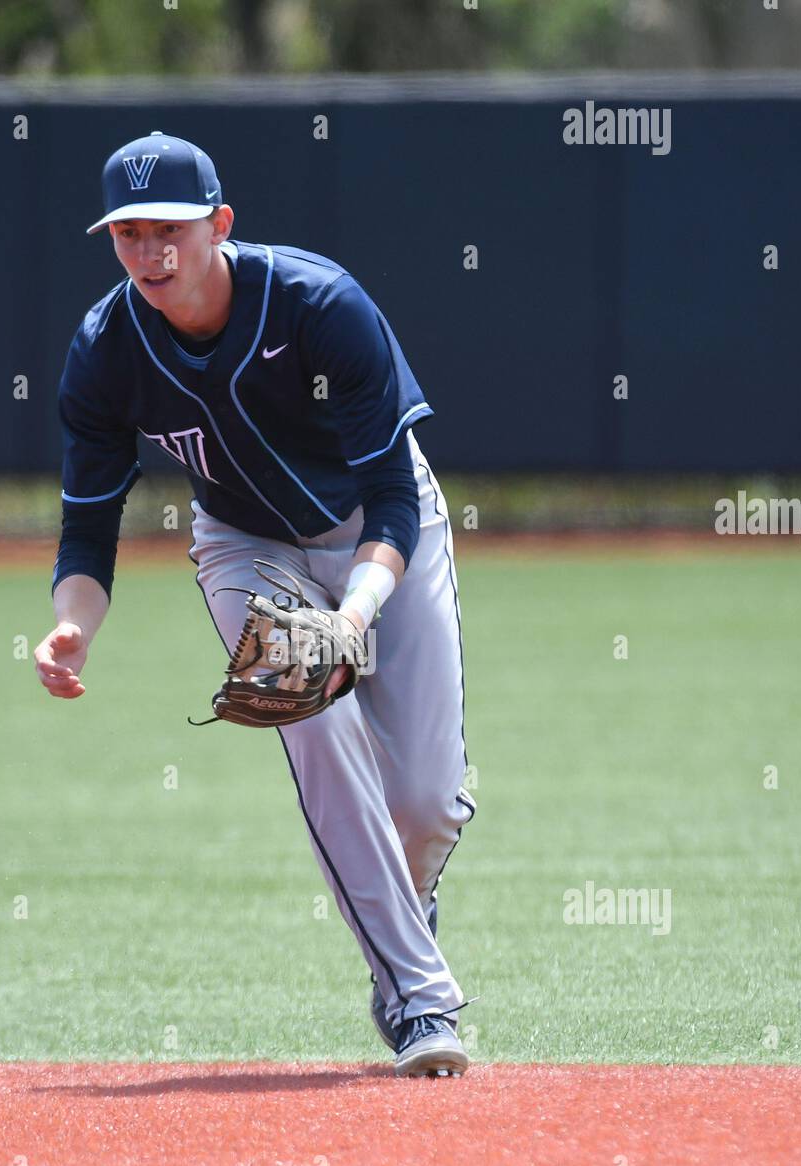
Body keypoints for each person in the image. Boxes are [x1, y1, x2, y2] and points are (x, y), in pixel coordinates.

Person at [34, 133, 477, 1078]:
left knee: (428, 803)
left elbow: (393, 500)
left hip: (383, 535)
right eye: (128, 234)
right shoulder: (106, 351)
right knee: (315, 725)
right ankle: (417, 1000)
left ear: (219, 225)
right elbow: (86, 528)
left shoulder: (320, 305)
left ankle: (405, 909)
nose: (149, 253)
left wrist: (355, 613)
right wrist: (74, 625)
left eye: (170, 231)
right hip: (245, 548)